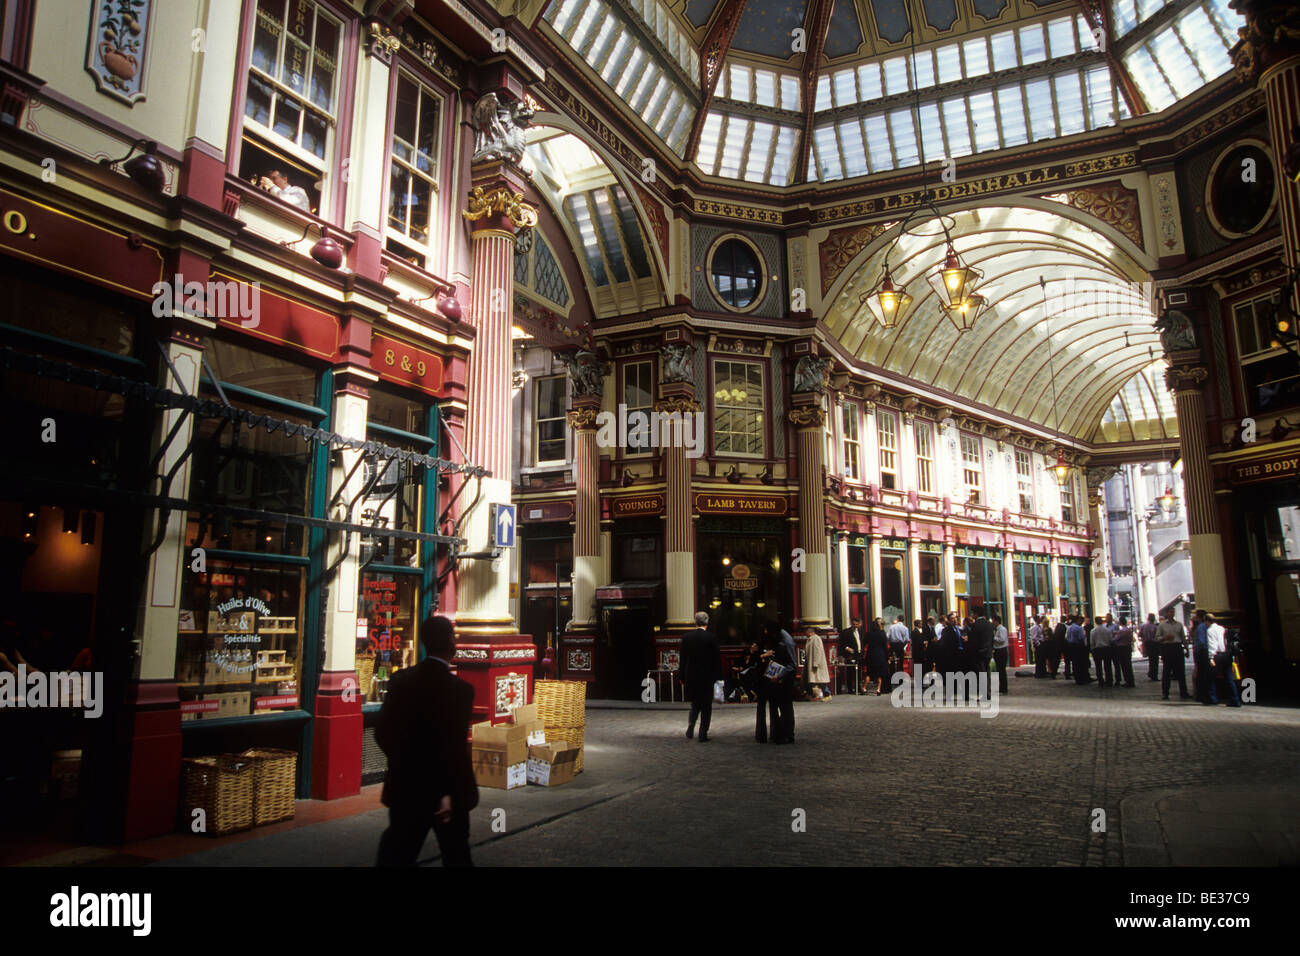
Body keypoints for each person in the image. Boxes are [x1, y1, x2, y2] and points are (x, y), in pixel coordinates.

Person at [375, 614, 478, 867]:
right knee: (456, 856)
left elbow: (382, 733)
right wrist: (447, 791)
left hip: (406, 790)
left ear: (424, 642)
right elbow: (452, 748)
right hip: (448, 796)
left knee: (396, 855)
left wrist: (405, 767)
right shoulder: (461, 691)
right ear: (451, 644)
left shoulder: (400, 682)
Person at [681, 611, 722, 741]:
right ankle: (703, 733)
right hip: (707, 676)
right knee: (706, 706)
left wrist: (682, 677)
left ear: (695, 622)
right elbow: (716, 659)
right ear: (707, 622)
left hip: (691, 676)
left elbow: (682, 659)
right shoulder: (711, 638)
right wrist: (718, 676)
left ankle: (691, 725)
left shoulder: (686, 637)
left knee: (695, 704)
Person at [764, 621, 798, 743]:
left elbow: (792, 664)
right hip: (778, 678)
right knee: (781, 706)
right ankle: (780, 733)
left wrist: (779, 675)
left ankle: (787, 734)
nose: (765, 632)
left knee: (785, 707)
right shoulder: (779, 638)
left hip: (784, 679)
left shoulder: (786, 641)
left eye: (767, 630)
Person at [1156, 609, 1191, 700]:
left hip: (1177, 647)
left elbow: (1183, 638)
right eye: (1170, 612)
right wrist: (1164, 638)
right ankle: (1165, 693)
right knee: (1166, 671)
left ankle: (1183, 692)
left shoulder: (1179, 624)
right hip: (1167, 648)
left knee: (1181, 671)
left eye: (1173, 612)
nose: (1172, 613)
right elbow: (1157, 638)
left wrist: (1186, 649)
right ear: (1167, 613)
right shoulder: (1162, 625)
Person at [1206, 615, 1241, 707]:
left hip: (1217, 655)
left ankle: (1212, 698)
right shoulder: (1222, 628)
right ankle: (1235, 700)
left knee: (1211, 677)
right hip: (1227, 654)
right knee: (1229, 678)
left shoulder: (1210, 630)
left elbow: (1212, 644)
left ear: (1207, 621)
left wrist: (1211, 657)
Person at [968, 610, 995, 699]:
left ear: (976, 614)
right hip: (988, 652)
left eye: (973, 614)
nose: (972, 615)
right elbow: (991, 639)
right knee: (987, 672)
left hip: (979, 653)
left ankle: (984, 693)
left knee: (981, 673)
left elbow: (973, 641)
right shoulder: (990, 625)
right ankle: (988, 692)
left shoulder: (975, 625)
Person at [936, 612, 962, 697]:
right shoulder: (946, 630)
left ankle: (957, 688)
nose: (955, 620)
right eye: (952, 619)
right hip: (951, 655)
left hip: (959, 654)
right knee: (951, 672)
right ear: (949, 621)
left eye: (955, 618)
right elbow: (944, 644)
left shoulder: (958, 629)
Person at [1191, 609, 1214, 705]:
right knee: (1206, 674)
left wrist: (1200, 651)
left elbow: (1201, 641)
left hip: (1201, 652)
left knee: (1202, 674)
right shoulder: (1208, 626)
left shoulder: (1201, 627)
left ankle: (1202, 696)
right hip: (1206, 651)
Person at [838, 616, 865, 695]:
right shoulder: (846, 632)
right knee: (850, 672)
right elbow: (841, 644)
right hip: (851, 655)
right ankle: (850, 688)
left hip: (859, 654)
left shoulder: (860, 631)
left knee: (859, 672)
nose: (855, 626)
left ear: (859, 624)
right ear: (851, 624)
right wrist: (847, 648)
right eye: (854, 624)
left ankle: (858, 687)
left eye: (857, 624)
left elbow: (861, 642)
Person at [804, 630, 831, 701]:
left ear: (810, 632)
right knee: (813, 680)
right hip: (811, 663)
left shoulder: (816, 638)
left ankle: (827, 694)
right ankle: (811, 694)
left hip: (816, 664)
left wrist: (815, 663)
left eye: (806, 632)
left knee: (820, 680)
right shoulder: (810, 639)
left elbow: (817, 651)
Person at [865, 618, 889, 696]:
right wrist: (887, 657)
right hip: (880, 655)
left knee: (869, 673)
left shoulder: (869, 634)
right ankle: (878, 689)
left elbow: (864, 643)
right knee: (879, 674)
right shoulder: (881, 634)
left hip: (870, 655)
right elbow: (885, 646)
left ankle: (864, 688)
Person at [1089, 615, 1114, 687]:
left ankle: (1100, 681)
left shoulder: (1093, 631)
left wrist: (1092, 649)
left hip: (1097, 649)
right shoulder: (1107, 630)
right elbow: (1111, 640)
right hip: (1106, 648)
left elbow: (1092, 642)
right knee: (1107, 666)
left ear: (1095, 622)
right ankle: (1109, 680)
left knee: (1098, 666)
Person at [1066, 615, 1090, 684]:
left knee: (1075, 662)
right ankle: (1081, 678)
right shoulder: (1079, 628)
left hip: (1071, 646)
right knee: (1080, 662)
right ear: (1078, 620)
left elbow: (1067, 637)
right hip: (1078, 646)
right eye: (1081, 621)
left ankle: (1077, 678)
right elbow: (1081, 638)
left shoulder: (1069, 627)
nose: (1082, 623)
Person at [1113, 616, 1136, 687]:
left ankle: (1128, 681)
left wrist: (1114, 635)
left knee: (1124, 666)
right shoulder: (1128, 630)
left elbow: (1115, 639)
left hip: (1122, 649)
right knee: (1128, 665)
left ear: (1120, 622)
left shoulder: (1122, 631)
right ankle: (1130, 680)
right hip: (1128, 648)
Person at [886, 615, 909, 683]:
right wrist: (903, 645)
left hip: (893, 645)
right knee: (900, 663)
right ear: (903, 620)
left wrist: (890, 643)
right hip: (900, 645)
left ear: (898, 619)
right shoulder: (905, 628)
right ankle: (900, 679)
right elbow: (907, 639)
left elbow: (887, 636)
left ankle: (892, 678)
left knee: (892, 662)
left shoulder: (892, 627)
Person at [1139, 613, 1160, 681]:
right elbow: (1157, 636)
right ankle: (1154, 675)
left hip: (1147, 643)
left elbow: (1140, 634)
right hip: (1154, 644)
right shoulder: (1155, 627)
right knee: (1155, 660)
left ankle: (1151, 673)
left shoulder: (1143, 626)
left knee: (1151, 660)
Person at [991, 614, 1009, 695]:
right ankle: (1001, 687)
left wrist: (993, 638)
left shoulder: (1002, 629)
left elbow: (1002, 639)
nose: (992, 623)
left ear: (997, 621)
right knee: (999, 670)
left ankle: (1004, 688)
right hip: (998, 651)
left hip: (1001, 651)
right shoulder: (997, 629)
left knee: (1001, 670)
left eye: (993, 621)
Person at [910, 619, 930, 683]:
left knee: (920, 667)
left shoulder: (918, 631)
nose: (921, 625)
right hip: (918, 653)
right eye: (921, 623)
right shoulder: (915, 631)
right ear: (918, 624)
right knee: (919, 667)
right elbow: (918, 642)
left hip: (919, 653)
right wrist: (924, 642)